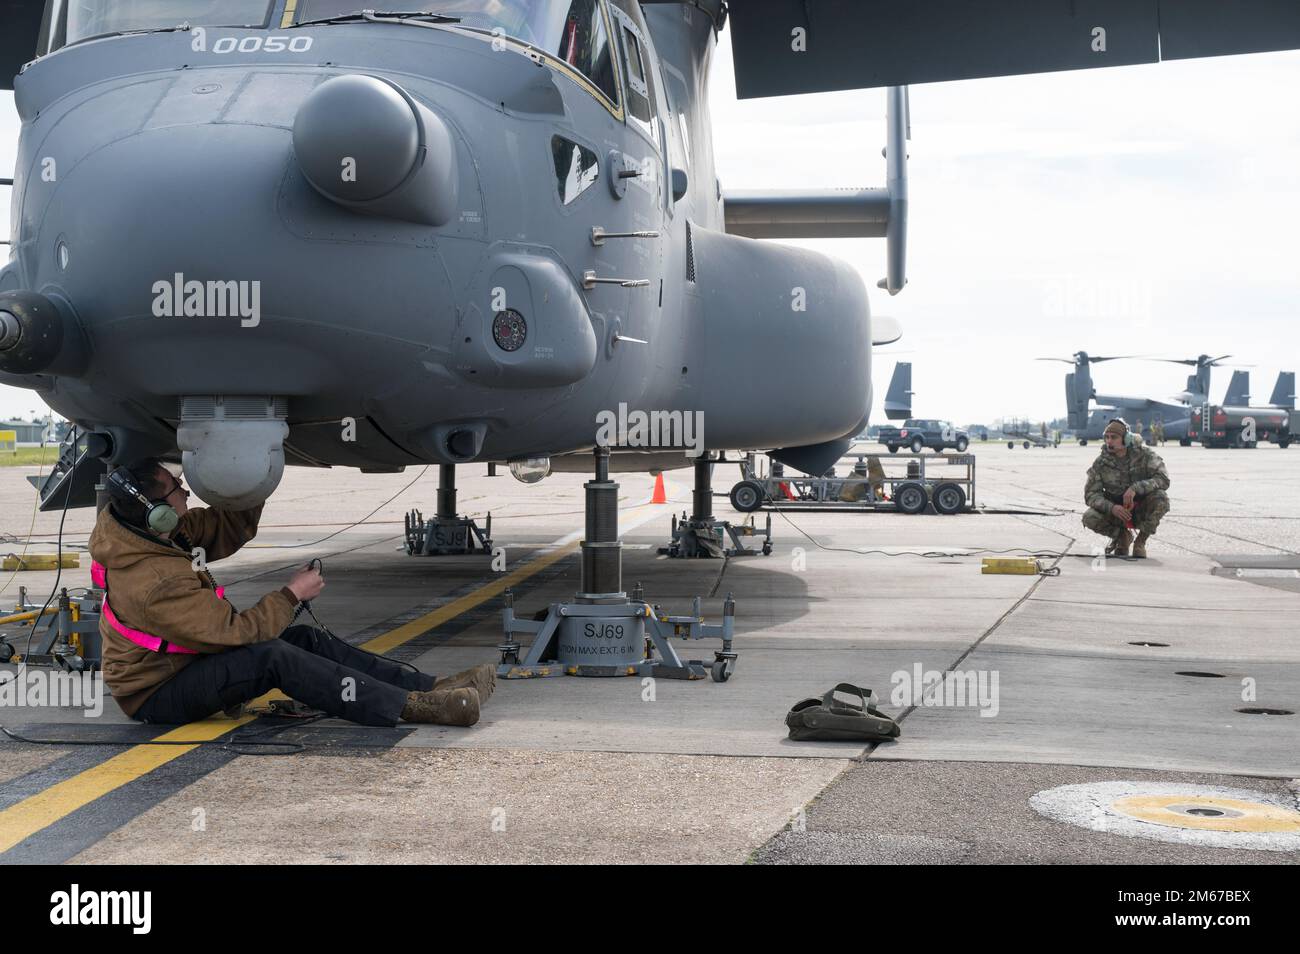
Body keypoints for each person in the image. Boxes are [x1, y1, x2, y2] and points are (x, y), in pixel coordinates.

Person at [87, 458, 492, 727]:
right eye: (178, 488)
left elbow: (226, 529)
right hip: (156, 693)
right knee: (272, 656)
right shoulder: (153, 578)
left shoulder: (157, 534)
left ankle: (430, 684)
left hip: (184, 666)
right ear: (156, 510)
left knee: (304, 639)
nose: (186, 494)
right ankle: (409, 708)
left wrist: (251, 476)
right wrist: (292, 594)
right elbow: (234, 633)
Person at [1081, 420, 1170, 559]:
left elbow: (1163, 479)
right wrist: (1112, 508)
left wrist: (1137, 488)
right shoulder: (1101, 463)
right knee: (1089, 517)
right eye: (1107, 437)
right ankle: (1122, 537)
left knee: (1161, 498)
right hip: (1117, 514)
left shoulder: (1144, 455)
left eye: (1114, 437)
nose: (1109, 441)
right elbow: (1091, 495)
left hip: (1141, 509)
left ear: (1126, 439)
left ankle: (1140, 542)